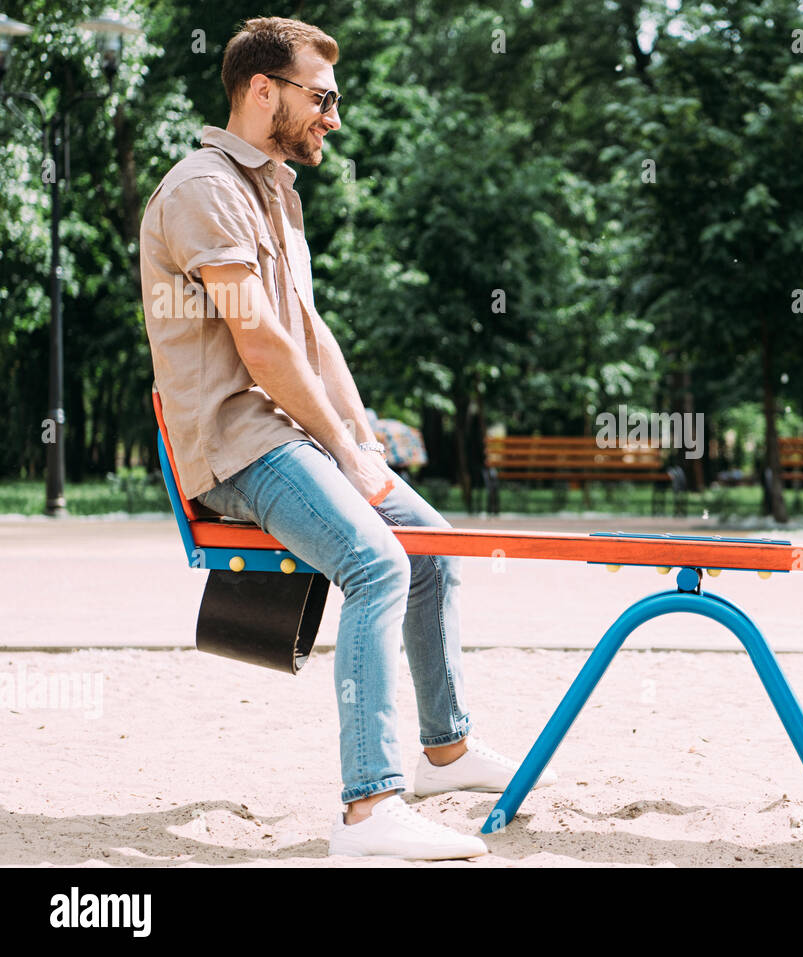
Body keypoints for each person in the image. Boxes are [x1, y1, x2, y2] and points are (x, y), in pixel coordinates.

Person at [139, 17, 552, 860]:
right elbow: (259, 342)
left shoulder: (275, 191)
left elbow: (312, 336)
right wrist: (340, 445)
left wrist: (361, 442)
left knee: (432, 545)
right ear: (264, 92)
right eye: (321, 99)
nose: (335, 117)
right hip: (240, 446)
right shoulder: (202, 188)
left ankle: (444, 749)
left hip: (294, 435)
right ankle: (369, 811)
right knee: (378, 563)